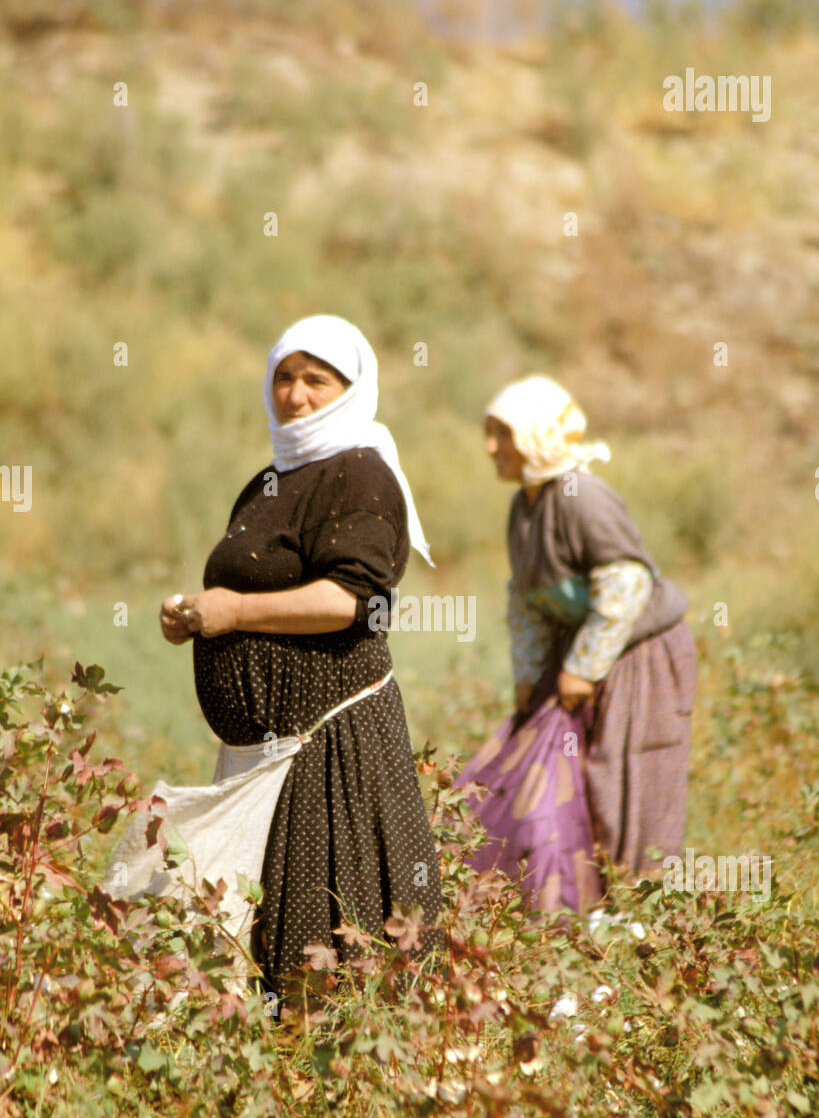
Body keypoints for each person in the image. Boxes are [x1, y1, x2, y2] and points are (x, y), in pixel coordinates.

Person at [159, 314, 442, 996]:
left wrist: (235, 612)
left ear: (351, 389)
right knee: (257, 932)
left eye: (316, 379)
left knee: (322, 936)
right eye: (284, 377)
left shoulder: (362, 474)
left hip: (331, 748)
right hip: (267, 752)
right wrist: (198, 617)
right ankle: (279, 1085)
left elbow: (355, 600)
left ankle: (334, 1084)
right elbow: (250, 581)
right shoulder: (269, 482)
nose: (295, 394)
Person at [459, 375, 696, 911]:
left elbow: (626, 581)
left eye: (502, 434)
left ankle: (641, 913)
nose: (490, 448)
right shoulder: (524, 506)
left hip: (641, 655)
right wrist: (529, 678)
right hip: (582, 657)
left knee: (625, 773)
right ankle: (579, 904)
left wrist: (582, 668)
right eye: (489, 433)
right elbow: (525, 600)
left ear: (536, 435)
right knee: (566, 775)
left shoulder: (580, 495)